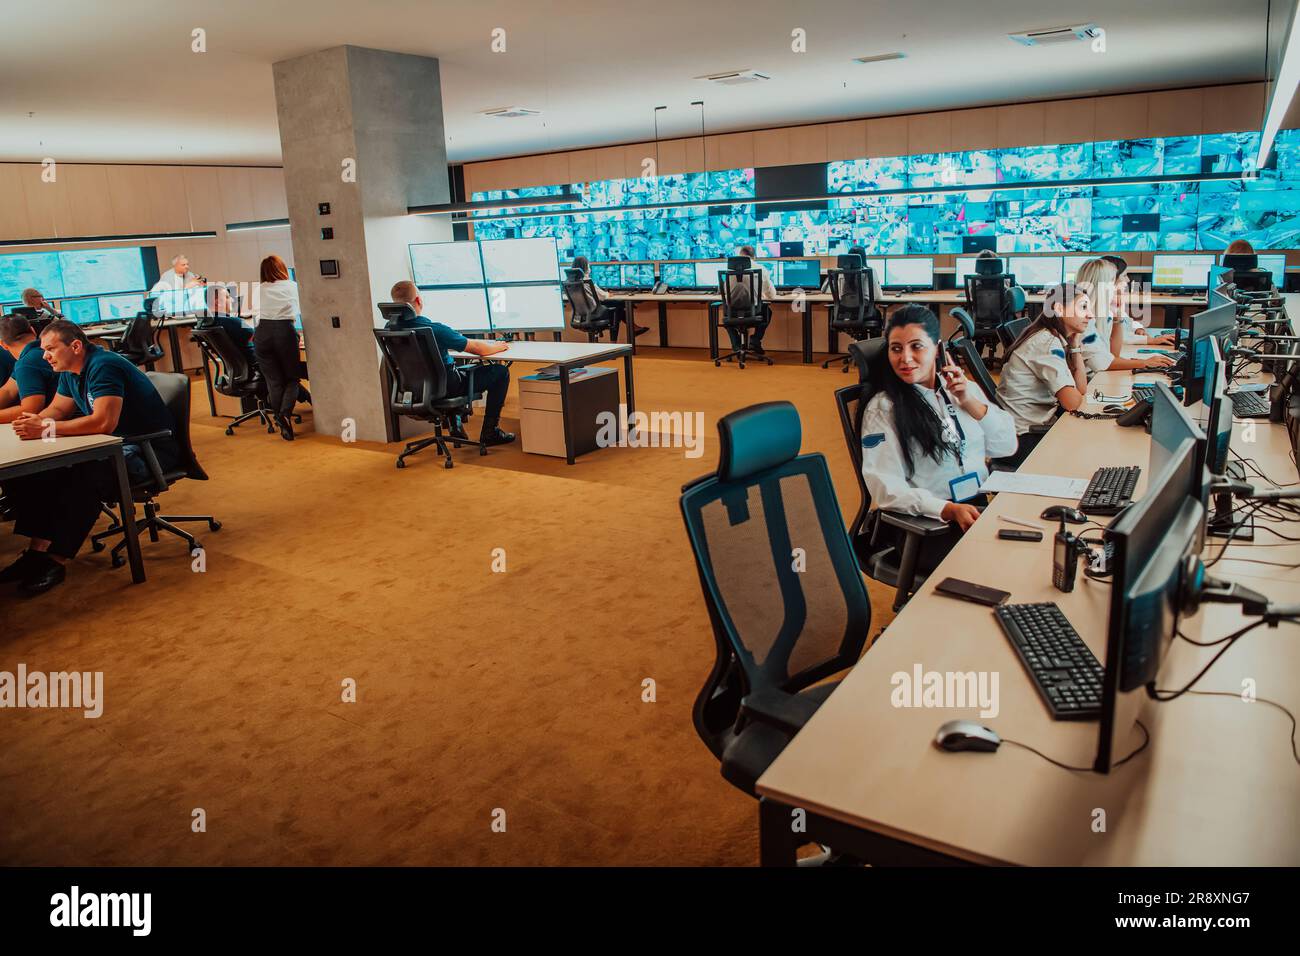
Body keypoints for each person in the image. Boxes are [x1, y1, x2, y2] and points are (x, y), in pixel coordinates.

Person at [1, 320, 178, 596]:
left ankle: (55, 561)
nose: (44, 356)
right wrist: (34, 423)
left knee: (82, 476)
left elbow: (104, 422)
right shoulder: (70, 370)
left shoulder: (103, 366)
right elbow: (58, 409)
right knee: (39, 473)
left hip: (148, 451)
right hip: (117, 446)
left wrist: (44, 430)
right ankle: (36, 554)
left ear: (75, 346)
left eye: (50, 349)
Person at [860, 304, 1017, 571]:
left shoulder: (960, 389)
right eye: (896, 348)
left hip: (976, 506)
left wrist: (968, 400)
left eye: (916, 346)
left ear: (938, 348)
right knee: (1001, 568)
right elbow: (886, 488)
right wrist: (945, 509)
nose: (905, 358)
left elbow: (1007, 446)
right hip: (927, 525)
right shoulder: (884, 408)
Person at [387, 280, 516, 446]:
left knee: (456, 370)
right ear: (419, 301)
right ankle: (490, 432)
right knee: (499, 372)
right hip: (446, 387)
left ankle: (455, 422)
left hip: (413, 390)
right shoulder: (434, 329)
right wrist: (498, 346)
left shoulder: (390, 330)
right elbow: (480, 350)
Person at [996, 281, 1095, 462]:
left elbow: (1080, 390)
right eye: (1083, 307)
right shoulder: (1046, 343)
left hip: (1025, 429)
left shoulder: (1049, 336)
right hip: (1023, 440)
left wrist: (1075, 347)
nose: (1090, 315)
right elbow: (1073, 402)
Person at [1075, 257, 1176, 373]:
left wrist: (1117, 318)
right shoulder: (1084, 320)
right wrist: (1144, 363)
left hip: (1095, 376)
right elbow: (1102, 364)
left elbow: (1112, 355)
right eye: (1113, 282)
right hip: (1089, 381)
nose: (1117, 287)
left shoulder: (1100, 313)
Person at [252, 255, 305, 441]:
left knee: (274, 381)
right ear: (282, 269)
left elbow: (256, 315)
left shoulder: (258, 289)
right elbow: (300, 310)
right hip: (283, 331)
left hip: (262, 333)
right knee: (292, 378)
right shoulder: (291, 286)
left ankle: (281, 420)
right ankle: (284, 414)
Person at [1100, 255, 1175, 347]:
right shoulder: (1100, 307)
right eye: (1124, 275)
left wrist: (1137, 329)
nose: (1127, 280)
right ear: (1111, 278)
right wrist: (1150, 340)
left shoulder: (1114, 301)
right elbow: (1115, 337)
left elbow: (1126, 321)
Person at [0, 314, 60, 424]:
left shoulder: (27, 363)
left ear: (3, 344)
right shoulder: (33, 354)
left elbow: (30, 410)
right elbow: (8, 391)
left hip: (61, 424)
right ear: (33, 330)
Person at [571, 256, 647, 341]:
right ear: (585, 268)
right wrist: (609, 294)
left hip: (582, 316)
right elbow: (602, 296)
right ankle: (615, 341)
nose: (589, 267)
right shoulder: (587, 281)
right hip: (595, 313)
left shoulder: (571, 283)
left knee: (619, 306)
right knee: (618, 309)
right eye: (588, 265)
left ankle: (633, 328)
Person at [723, 245, 777, 354]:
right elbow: (771, 296)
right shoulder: (761, 269)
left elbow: (723, 291)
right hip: (753, 312)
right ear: (754, 257)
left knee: (726, 317)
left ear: (740, 255)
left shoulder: (728, 270)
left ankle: (736, 345)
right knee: (767, 312)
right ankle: (755, 341)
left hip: (732, 313)